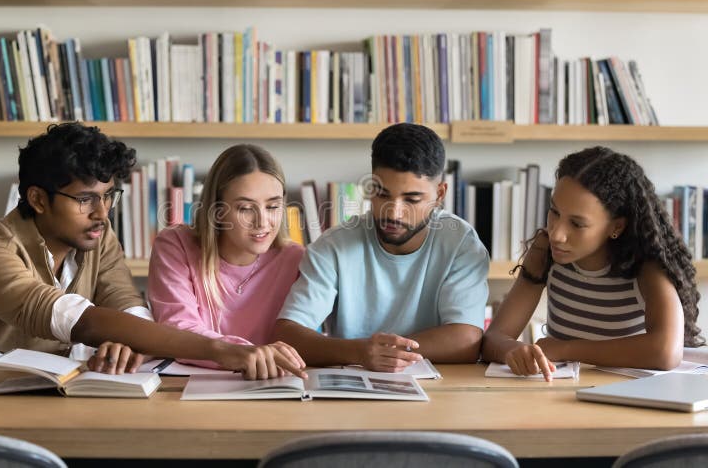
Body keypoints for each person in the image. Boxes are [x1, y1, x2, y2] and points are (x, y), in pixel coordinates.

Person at [0, 123, 305, 380]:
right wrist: (223, 350)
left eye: (108, 196)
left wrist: (132, 342)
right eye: (85, 199)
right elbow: (76, 319)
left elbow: (126, 303)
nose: (102, 213)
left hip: (61, 387)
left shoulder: (97, 237)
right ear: (38, 199)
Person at [274, 123, 490, 371]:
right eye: (382, 194)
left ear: (440, 194)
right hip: (351, 391)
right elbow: (287, 334)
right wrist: (361, 352)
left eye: (411, 199)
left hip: (440, 393)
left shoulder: (461, 245)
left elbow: (467, 340)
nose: (393, 212)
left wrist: (385, 353)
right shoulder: (332, 247)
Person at [482, 146, 702, 381]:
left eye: (577, 224)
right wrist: (512, 351)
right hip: (560, 394)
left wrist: (565, 349)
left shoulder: (645, 267)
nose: (557, 234)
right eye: (554, 212)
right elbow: (494, 337)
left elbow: (665, 352)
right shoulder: (544, 251)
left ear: (616, 226)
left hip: (629, 398)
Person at [147, 144, 304, 367]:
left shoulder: (296, 260)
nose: (262, 222)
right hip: (187, 388)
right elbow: (177, 330)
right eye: (245, 208)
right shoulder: (175, 246)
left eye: (272, 207)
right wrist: (243, 353)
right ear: (218, 211)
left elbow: (302, 338)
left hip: (272, 387)